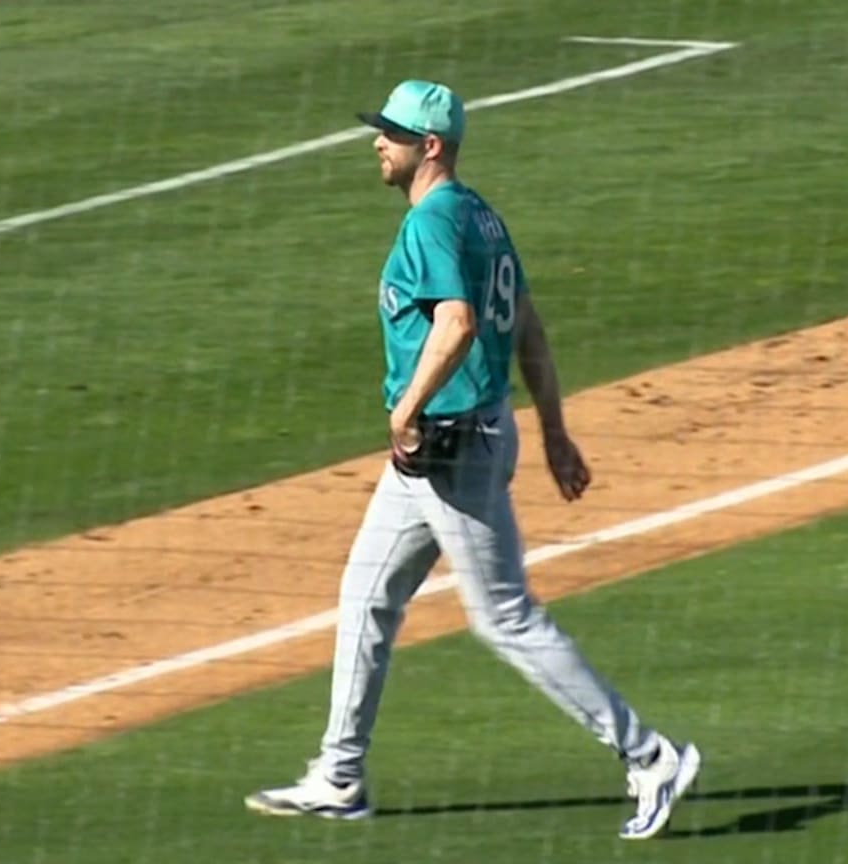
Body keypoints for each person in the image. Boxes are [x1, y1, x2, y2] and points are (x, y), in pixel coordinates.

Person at [243, 79, 700, 840]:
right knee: (365, 595)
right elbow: (528, 327)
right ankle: (339, 774)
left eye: (390, 133)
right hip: (448, 449)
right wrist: (553, 432)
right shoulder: (481, 216)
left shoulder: (432, 225)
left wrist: (405, 407)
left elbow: (456, 323)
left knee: (505, 618)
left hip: (454, 448)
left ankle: (648, 755)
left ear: (430, 147)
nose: (376, 142)